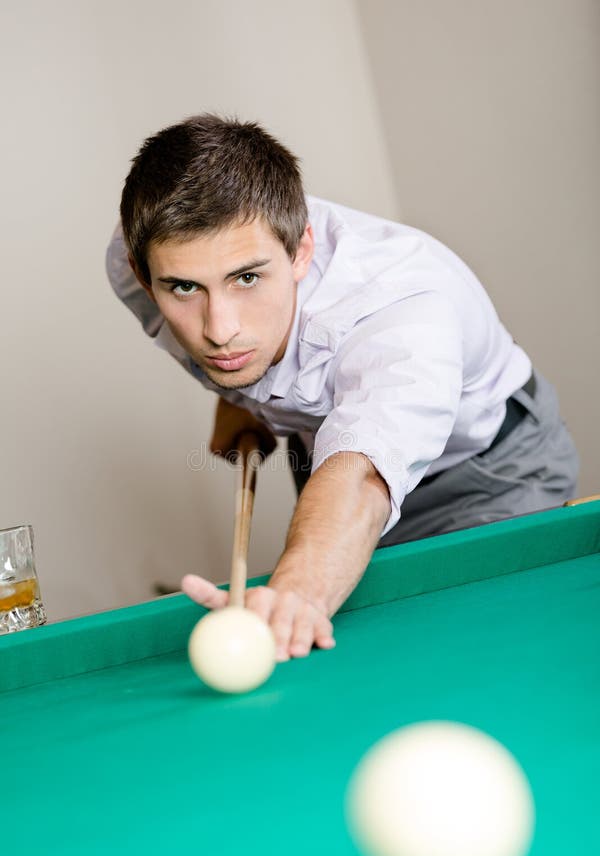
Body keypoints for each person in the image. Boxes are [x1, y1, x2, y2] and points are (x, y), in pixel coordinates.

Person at [106, 114, 578, 661]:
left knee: (477, 651)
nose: (219, 330)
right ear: (144, 275)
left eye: (248, 278)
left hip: (485, 473)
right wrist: (240, 397)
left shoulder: (402, 317)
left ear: (301, 250)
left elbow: (361, 476)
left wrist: (296, 593)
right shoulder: (133, 261)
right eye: (185, 288)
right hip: (326, 458)